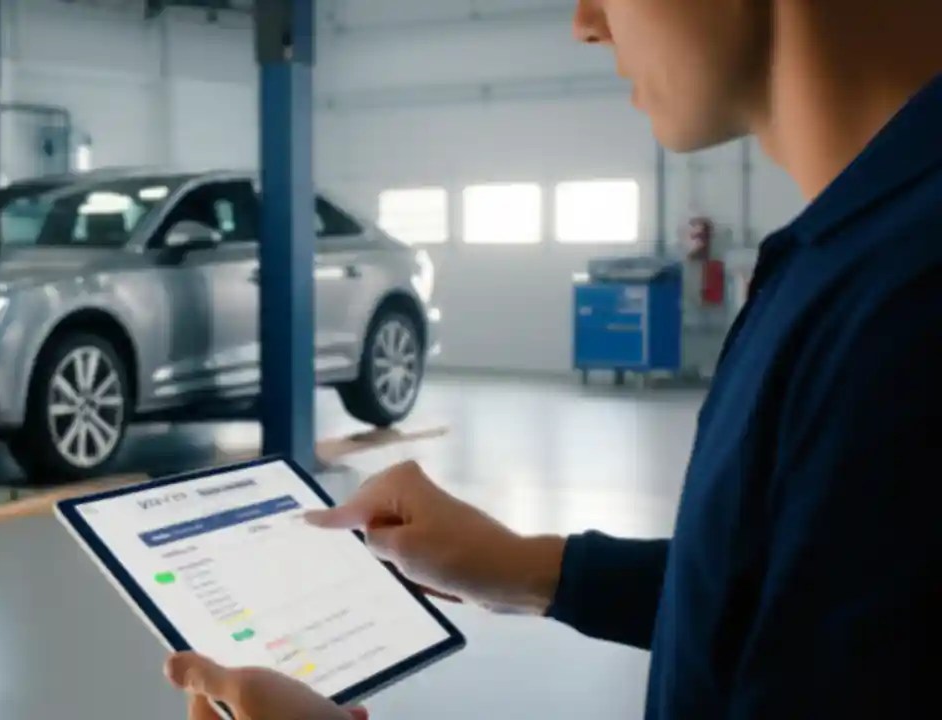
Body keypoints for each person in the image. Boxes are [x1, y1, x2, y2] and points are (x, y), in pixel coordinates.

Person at [164, 0, 942, 717]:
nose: (586, 21)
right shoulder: (861, 259)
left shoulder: (906, 304)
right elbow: (796, 598)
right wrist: (530, 570)